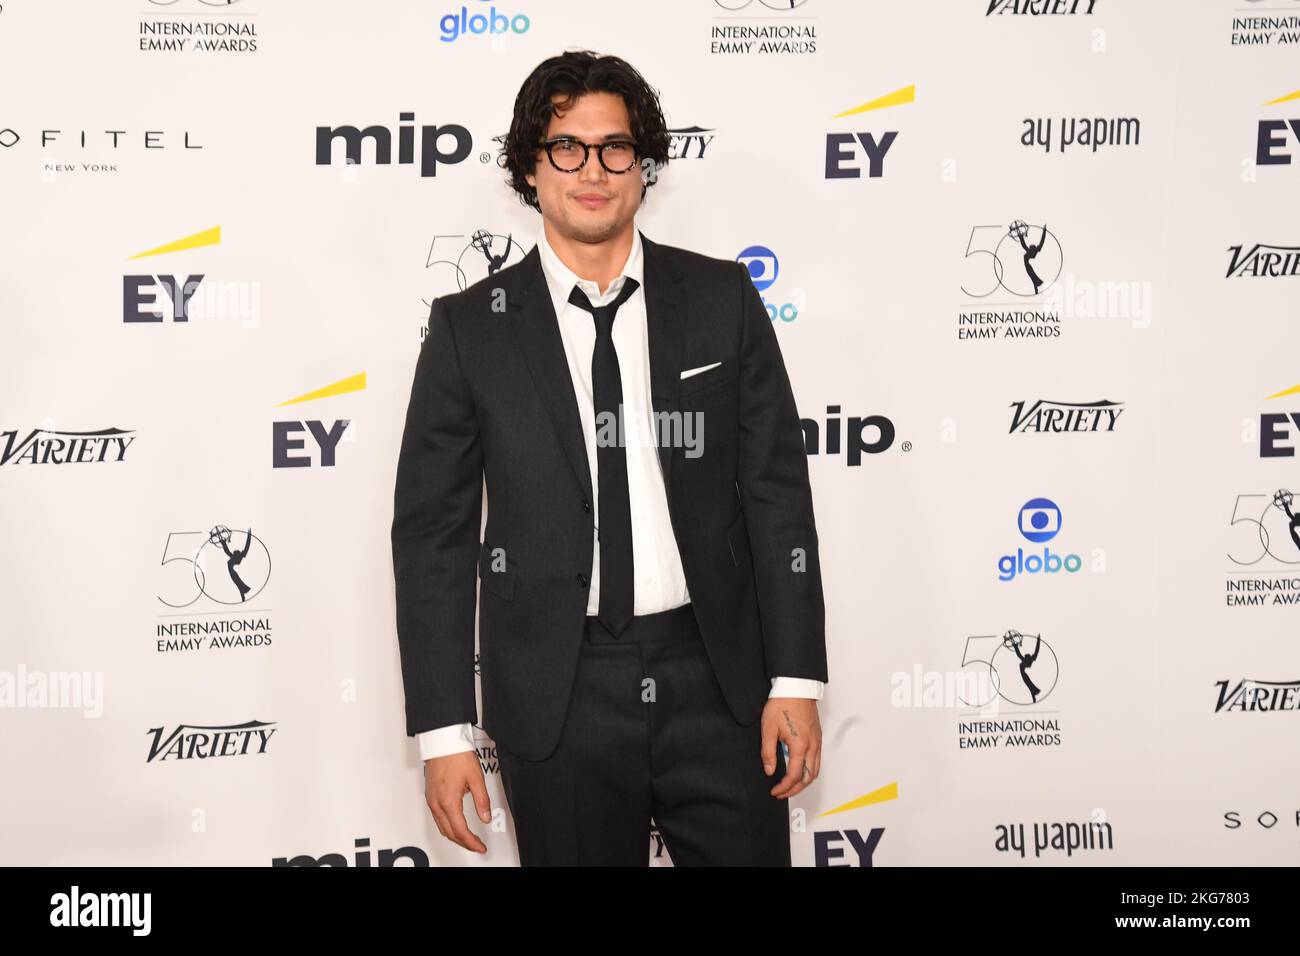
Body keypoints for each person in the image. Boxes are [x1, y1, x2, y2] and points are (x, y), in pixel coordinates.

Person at [391, 49, 828, 866]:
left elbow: (776, 495)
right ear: (530, 165)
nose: (592, 170)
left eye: (615, 147)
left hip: (721, 680)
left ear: (643, 163)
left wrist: (797, 681)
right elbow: (434, 541)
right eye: (566, 147)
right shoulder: (470, 329)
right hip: (558, 696)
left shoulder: (722, 298)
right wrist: (444, 732)